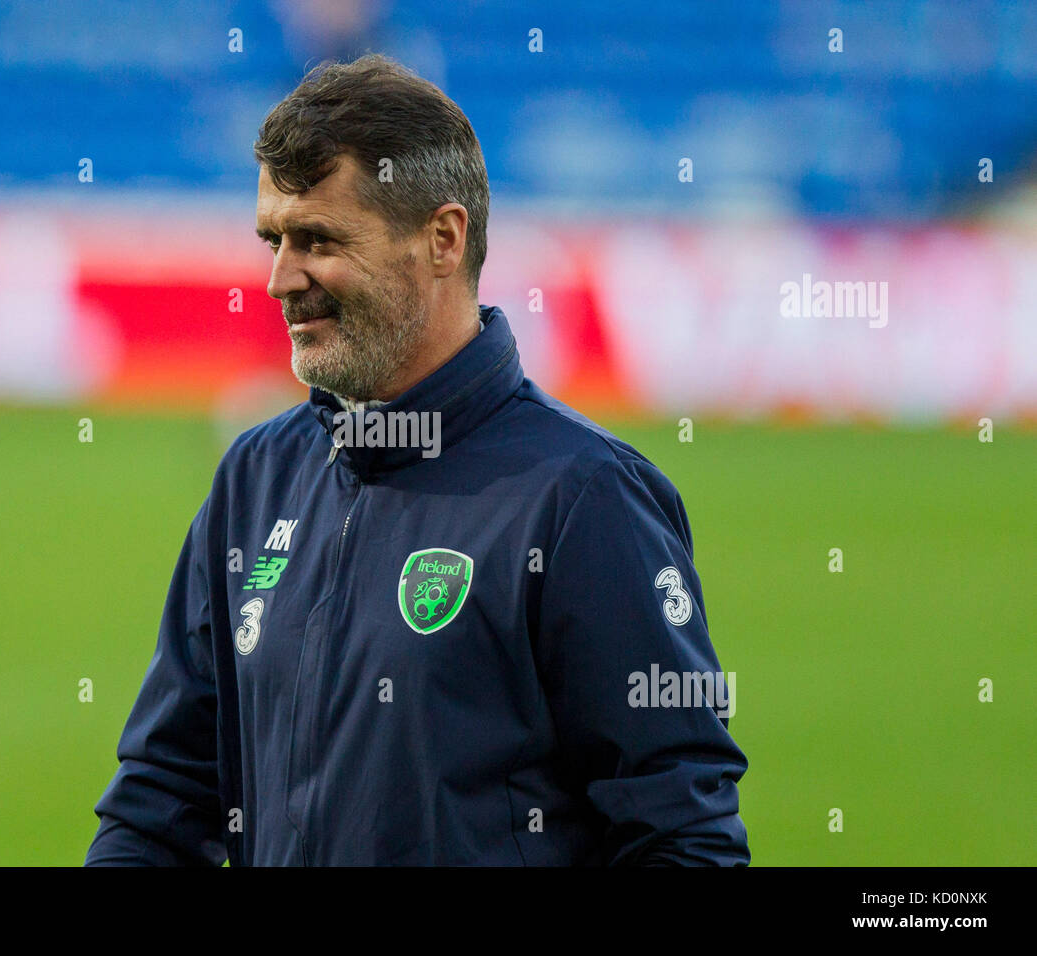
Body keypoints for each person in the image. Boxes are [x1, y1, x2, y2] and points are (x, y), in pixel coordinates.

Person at [85, 53, 749, 866]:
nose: (278, 279)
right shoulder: (256, 479)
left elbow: (680, 836)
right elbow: (163, 800)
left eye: (318, 240)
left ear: (442, 239)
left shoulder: (583, 497)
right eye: (273, 239)